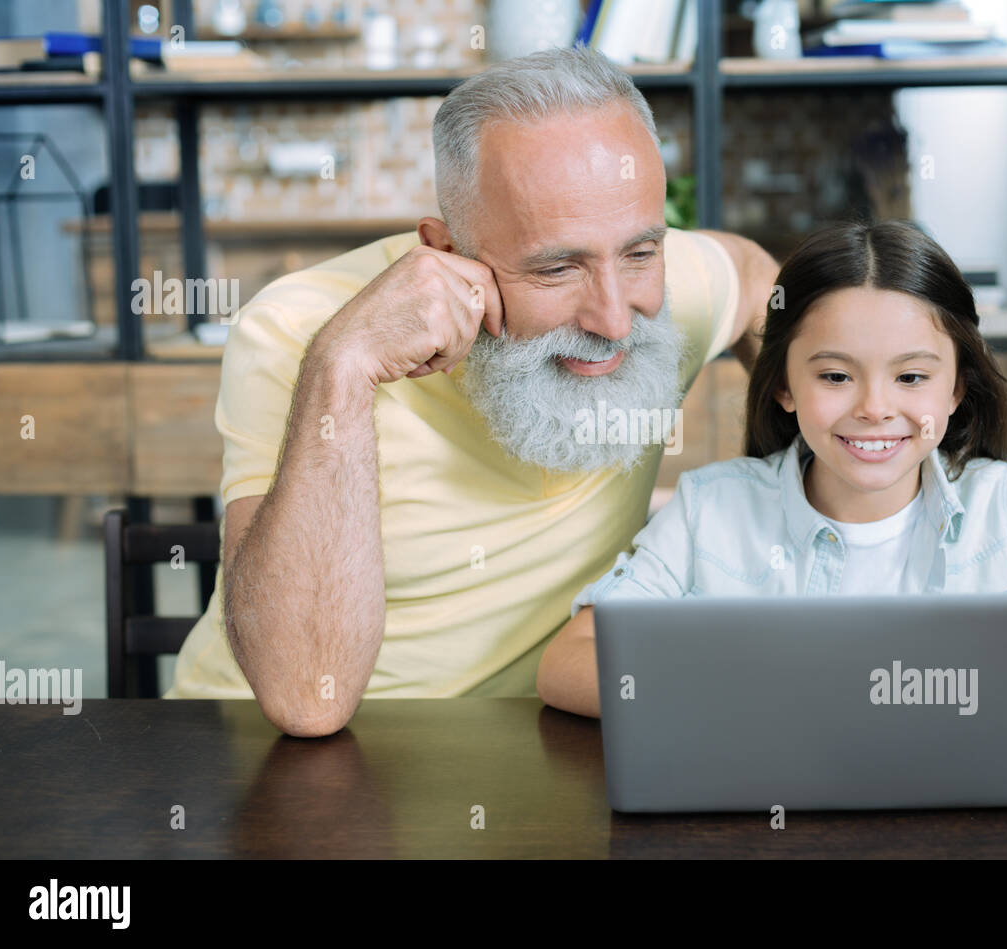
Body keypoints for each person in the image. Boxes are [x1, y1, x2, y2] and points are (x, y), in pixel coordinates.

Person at [164, 45, 780, 737]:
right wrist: (345, 365)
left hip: (536, 760)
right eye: (556, 269)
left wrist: (788, 498)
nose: (612, 319)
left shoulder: (661, 295)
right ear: (445, 254)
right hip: (273, 764)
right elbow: (308, 701)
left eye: (640, 252)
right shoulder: (296, 331)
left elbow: (763, 284)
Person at [537, 220, 1007, 719]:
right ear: (783, 384)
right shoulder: (710, 512)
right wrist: (770, 691)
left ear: (957, 389)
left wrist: (996, 690)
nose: (875, 408)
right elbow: (569, 664)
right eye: (836, 374)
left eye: (911, 376)